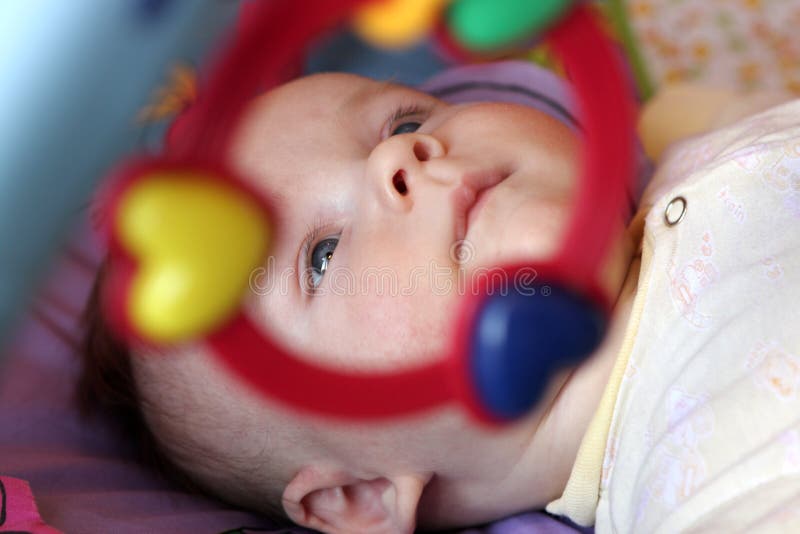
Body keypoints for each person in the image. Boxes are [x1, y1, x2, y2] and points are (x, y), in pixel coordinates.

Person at [80, 60, 800, 533]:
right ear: (361, 496)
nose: (400, 156)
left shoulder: (684, 132)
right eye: (322, 257)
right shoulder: (698, 484)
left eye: (405, 123)